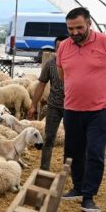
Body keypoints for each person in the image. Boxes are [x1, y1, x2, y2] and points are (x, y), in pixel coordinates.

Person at [56, 7, 106, 212]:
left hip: (101, 109)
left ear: (89, 23)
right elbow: (62, 74)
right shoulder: (64, 47)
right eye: (70, 29)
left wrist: (104, 87)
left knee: (95, 152)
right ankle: (77, 187)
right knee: (73, 151)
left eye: (79, 27)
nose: (74, 32)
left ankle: (88, 196)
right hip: (72, 108)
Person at [28, 34, 69, 171]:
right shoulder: (50, 64)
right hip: (54, 106)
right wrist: (33, 105)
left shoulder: (76, 63)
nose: (61, 49)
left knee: (71, 139)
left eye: (64, 46)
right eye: (58, 47)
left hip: (72, 107)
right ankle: (44, 168)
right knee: (49, 137)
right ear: (55, 48)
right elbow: (41, 84)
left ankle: (67, 168)